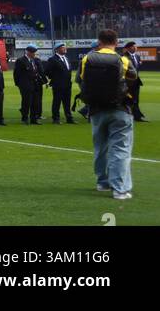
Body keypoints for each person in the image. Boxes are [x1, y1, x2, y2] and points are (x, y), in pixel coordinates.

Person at [78, 29, 136, 200]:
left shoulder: (87, 58)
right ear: (116, 42)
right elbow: (133, 79)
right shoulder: (122, 60)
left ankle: (102, 182)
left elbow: (81, 81)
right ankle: (119, 189)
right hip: (119, 109)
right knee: (120, 148)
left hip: (96, 110)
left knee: (100, 147)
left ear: (99, 41)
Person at [14, 45, 47, 124]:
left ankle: (33, 119)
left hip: (35, 84)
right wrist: (19, 85)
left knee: (35, 103)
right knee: (26, 102)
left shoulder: (33, 60)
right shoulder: (21, 60)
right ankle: (24, 118)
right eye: (33, 53)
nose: (34, 54)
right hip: (26, 85)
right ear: (28, 52)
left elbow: (36, 71)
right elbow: (16, 74)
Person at [46, 43, 76, 124]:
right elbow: (47, 71)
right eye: (63, 48)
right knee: (57, 102)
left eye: (65, 47)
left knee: (67, 102)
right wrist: (55, 79)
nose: (65, 49)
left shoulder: (66, 58)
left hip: (67, 84)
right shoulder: (52, 59)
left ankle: (69, 118)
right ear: (57, 49)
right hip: (58, 84)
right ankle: (56, 118)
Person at [124, 41, 148, 122]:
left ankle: (136, 115)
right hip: (128, 82)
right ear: (128, 48)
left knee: (136, 99)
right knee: (128, 99)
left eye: (135, 46)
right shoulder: (124, 57)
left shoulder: (137, 56)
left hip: (136, 82)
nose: (135, 47)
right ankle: (130, 115)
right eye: (133, 46)